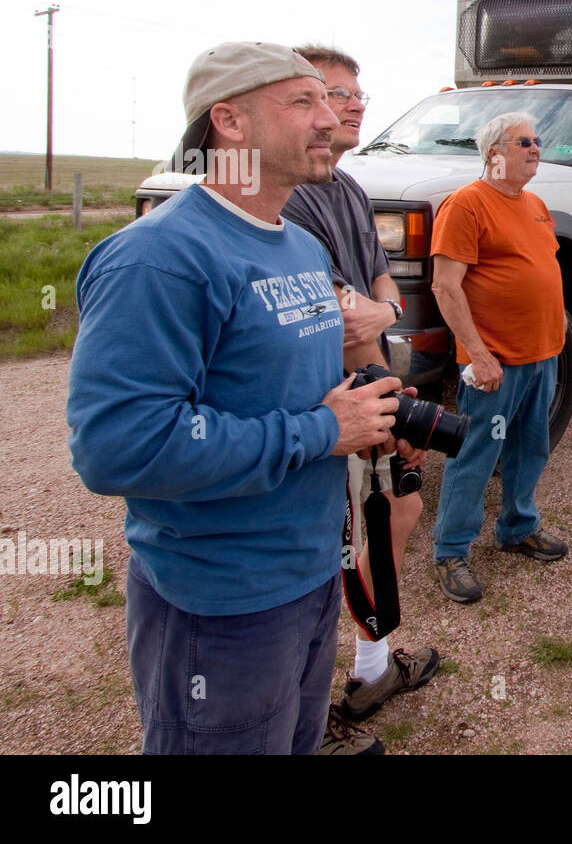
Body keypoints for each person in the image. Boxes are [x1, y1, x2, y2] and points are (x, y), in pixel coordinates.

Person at [67, 41, 403, 755]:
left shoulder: (303, 248)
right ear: (230, 121)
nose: (333, 117)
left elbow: (304, 393)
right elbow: (117, 446)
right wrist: (320, 431)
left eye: (332, 99)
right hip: (222, 604)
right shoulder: (159, 257)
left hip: (313, 576)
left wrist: (367, 411)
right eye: (305, 102)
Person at [280, 46, 439, 742]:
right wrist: (371, 313)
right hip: (333, 401)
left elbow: (380, 290)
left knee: (395, 512)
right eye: (332, 94)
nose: (352, 106)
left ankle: (370, 665)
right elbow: (330, 312)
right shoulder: (288, 192)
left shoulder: (347, 188)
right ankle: (319, 705)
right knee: (343, 539)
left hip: (376, 384)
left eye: (352, 94)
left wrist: (381, 314)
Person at [429, 112, 570, 603]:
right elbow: (446, 287)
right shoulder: (465, 204)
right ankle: (450, 551)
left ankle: (516, 529)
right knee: (476, 454)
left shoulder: (535, 204)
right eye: (524, 141)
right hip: (495, 364)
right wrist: (478, 354)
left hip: (543, 355)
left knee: (531, 448)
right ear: (494, 154)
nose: (536, 147)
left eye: (538, 139)